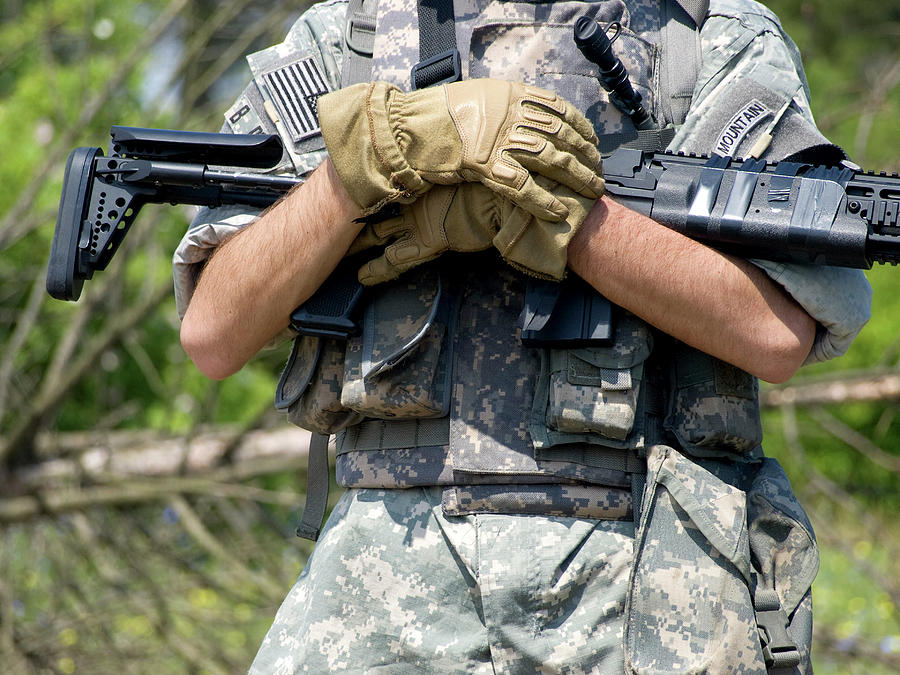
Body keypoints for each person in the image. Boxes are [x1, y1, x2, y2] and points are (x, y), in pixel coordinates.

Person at [174, 0, 873, 672]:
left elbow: (775, 331)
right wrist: (362, 171)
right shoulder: (350, 35)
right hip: (384, 577)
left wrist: (563, 218)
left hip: (649, 571)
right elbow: (214, 332)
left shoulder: (706, 33)